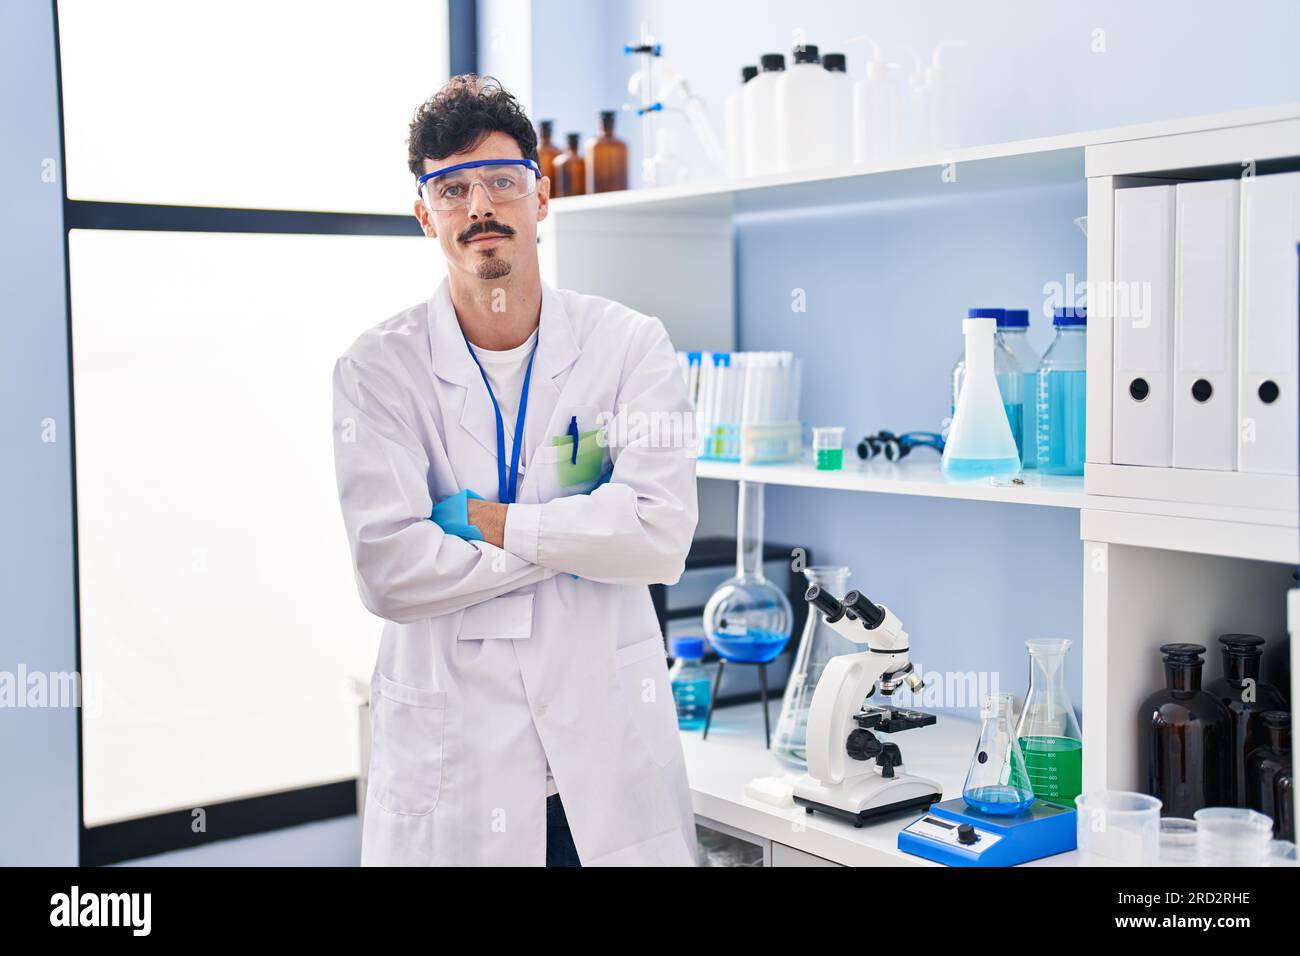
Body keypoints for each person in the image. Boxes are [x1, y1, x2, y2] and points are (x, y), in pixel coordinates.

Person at [332, 75, 700, 866]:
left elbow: (661, 538)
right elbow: (391, 574)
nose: (480, 207)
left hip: (604, 762)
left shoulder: (628, 345)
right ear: (424, 213)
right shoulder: (377, 370)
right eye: (453, 188)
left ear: (541, 199)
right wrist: (585, 542)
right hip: (458, 763)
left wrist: (482, 520)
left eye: (502, 181)